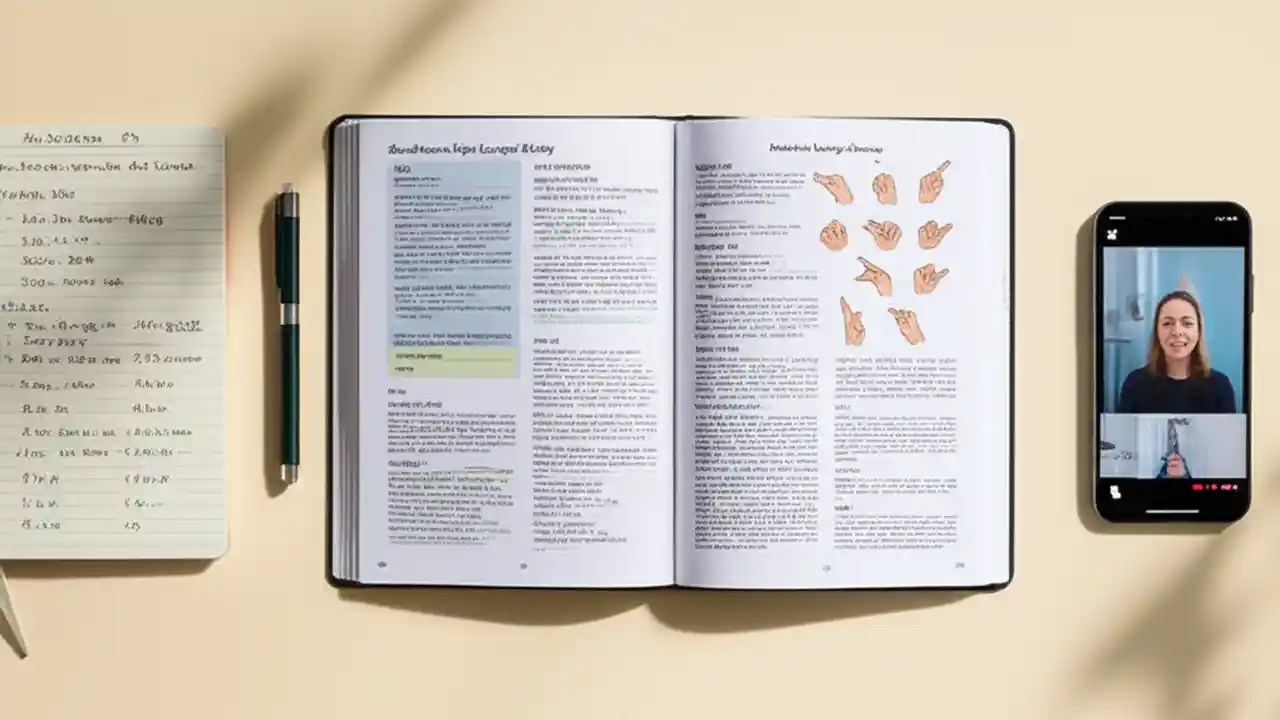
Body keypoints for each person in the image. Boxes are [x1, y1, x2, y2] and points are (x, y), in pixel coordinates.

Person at [1116, 290, 1236, 413]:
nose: (1177, 332)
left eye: (1187, 324)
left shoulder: (1220, 387)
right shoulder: (1135, 384)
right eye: (1167, 323)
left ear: (1199, 331)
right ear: (1157, 331)